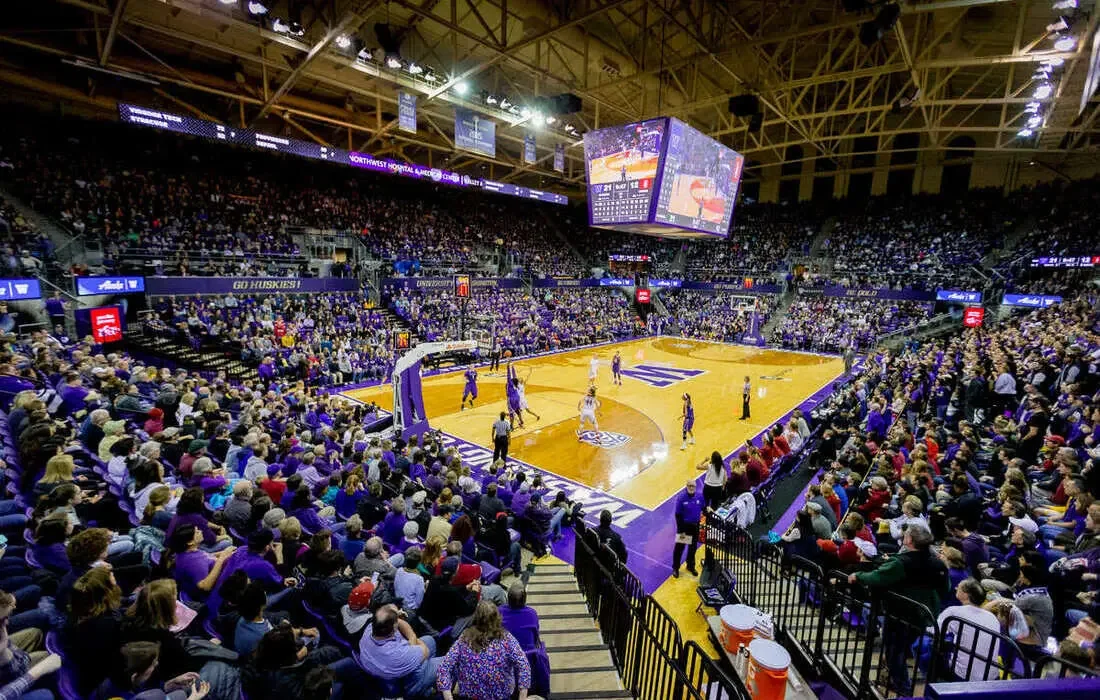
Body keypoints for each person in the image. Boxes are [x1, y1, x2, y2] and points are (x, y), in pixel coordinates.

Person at [848, 523, 949, 693]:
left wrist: (857, 575)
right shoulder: (938, 564)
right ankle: (898, 679)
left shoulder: (901, 563)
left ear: (909, 540)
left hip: (900, 614)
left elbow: (877, 577)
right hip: (924, 615)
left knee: (895, 650)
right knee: (902, 647)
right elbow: (945, 588)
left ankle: (903, 687)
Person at [436, 601, 531, 700]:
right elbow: (524, 665)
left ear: (476, 619)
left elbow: (443, 668)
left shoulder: (465, 638)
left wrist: (448, 697)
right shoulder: (506, 639)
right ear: (497, 618)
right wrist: (522, 697)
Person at [357, 603, 441, 699]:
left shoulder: (370, 629)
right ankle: (420, 690)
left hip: (391, 672)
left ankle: (425, 686)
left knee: (430, 640)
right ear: (394, 628)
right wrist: (413, 641)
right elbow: (425, 651)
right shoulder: (397, 655)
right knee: (447, 662)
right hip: (404, 683)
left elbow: (399, 622)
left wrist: (412, 641)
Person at [937, 579, 1001, 681]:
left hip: (964, 675)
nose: (955, 588)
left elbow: (933, 631)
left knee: (925, 647)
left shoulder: (954, 611)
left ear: (966, 595)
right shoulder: (991, 617)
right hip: (991, 676)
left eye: (958, 587)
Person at [672, 480, 704, 578]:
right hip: (684, 528)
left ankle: (690, 566)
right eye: (689, 486)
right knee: (680, 548)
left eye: (693, 486)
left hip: (695, 527)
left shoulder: (699, 496)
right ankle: (676, 568)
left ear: (695, 487)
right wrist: (681, 530)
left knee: (693, 547)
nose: (691, 488)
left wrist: (708, 509)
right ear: (686, 486)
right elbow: (678, 515)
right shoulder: (682, 498)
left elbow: (704, 507)